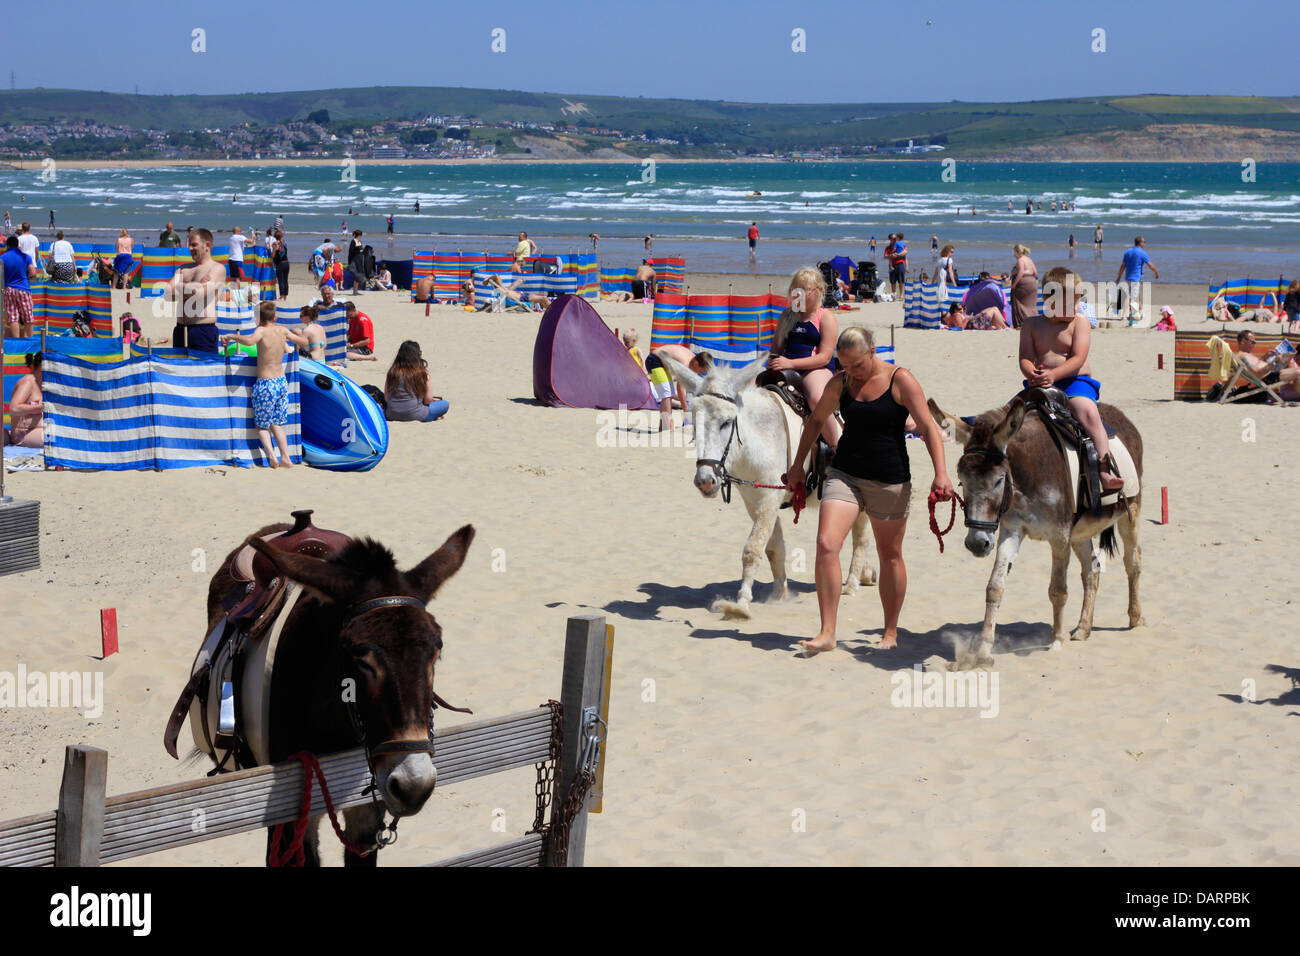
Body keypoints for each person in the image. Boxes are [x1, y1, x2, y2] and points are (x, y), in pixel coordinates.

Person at [786, 326, 952, 654]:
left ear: (872, 351)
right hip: (846, 474)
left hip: (889, 480)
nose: (853, 373)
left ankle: (890, 632)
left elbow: (929, 428)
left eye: (858, 365)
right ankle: (827, 632)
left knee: (889, 555)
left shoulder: (901, 380)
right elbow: (816, 422)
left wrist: (941, 474)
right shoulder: (841, 382)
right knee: (826, 544)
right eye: (845, 366)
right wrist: (796, 466)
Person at [1022, 266, 1124, 491]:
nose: (1076, 307)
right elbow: (1025, 357)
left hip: (1075, 383)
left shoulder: (1080, 322)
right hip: (1042, 382)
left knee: (1089, 415)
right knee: (1013, 412)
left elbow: (1078, 358)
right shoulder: (1031, 325)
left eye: (1077, 301)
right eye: (1070, 303)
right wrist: (1031, 373)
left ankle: (1104, 469)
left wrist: (1053, 374)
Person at [768, 266, 841, 450]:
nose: (799, 295)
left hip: (816, 368)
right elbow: (777, 347)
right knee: (752, 389)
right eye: (796, 290)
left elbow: (824, 357)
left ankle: (836, 448)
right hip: (786, 365)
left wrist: (790, 363)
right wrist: (773, 361)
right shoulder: (787, 315)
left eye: (805, 290)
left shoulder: (825, 317)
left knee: (817, 398)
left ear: (819, 291)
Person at [220, 302, 297, 468]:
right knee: (277, 423)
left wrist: (232, 336)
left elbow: (249, 341)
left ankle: (271, 456)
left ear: (258, 319)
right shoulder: (281, 332)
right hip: (281, 382)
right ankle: (286, 457)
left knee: (262, 426)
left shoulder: (261, 331)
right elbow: (295, 347)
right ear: (274, 317)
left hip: (266, 384)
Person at [167, 227, 225, 353]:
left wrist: (180, 287)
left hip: (203, 330)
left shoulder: (217, 269)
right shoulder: (183, 268)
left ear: (207, 245)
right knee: (179, 371)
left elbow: (199, 295)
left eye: (194, 245)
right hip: (180, 330)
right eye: (189, 245)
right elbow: (167, 294)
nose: (190, 248)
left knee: (204, 371)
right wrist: (193, 287)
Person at [646, 346, 711, 432]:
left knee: (669, 393)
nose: (699, 374)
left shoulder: (692, 359)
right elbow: (680, 388)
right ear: (696, 364)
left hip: (661, 363)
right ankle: (667, 425)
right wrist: (686, 410)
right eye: (701, 371)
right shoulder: (685, 363)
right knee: (667, 393)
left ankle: (663, 426)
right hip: (654, 360)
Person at [384, 340, 448, 422]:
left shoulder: (392, 371)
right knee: (444, 404)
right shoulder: (422, 373)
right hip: (416, 415)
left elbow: (387, 398)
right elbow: (428, 399)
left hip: (391, 414)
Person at [1235, 330, 1300, 400]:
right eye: (1252, 342)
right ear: (1243, 341)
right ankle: (1290, 392)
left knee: (1290, 360)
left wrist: (1265, 357)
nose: (1254, 344)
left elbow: (1256, 365)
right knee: (1298, 372)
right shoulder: (1242, 356)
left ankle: (1291, 392)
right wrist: (1274, 362)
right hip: (1268, 377)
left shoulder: (1246, 354)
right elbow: (1258, 373)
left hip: (1270, 372)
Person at [5, 353, 44, 448]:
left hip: (41, 429)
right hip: (24, 433)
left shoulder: (46, 383)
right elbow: (14, 408)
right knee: (54, 439)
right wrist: (39, 408)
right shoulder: (28, 382)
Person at [3, 234, 38, 338]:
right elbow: (32, 272)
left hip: (8, 289)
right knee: (28, 316)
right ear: (18, 245)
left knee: (12, 317)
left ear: (7, 246)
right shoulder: (25, 257)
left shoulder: (2, 258)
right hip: (23, 288)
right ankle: (30, 341)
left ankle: (16, 344)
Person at [1116, 236, 1158, 322]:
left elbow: (1123, 266)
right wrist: (1156, 272)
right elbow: (1150, 265)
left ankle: (1136, 313)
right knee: (1131, 297)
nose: (1144, 243)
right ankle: (1125, 315)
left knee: (1136, 296)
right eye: (1144, 242)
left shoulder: (1128, 252)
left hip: (1128, 277)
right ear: (1140, 242)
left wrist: (1119, 277)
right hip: (1135, 278)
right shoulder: (1142, 253)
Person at [1009, 243, 1037, 329]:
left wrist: (1014, 284)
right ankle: (1034, 321)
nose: (1014, 255)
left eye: (1014, 253)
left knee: (1017, 301)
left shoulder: (1020, 260)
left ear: (1017, 252)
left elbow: (1020, 272)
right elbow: (1035, 272)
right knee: (1030, 304)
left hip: (1023, 283)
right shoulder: (1029, 259)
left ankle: (1021, 323)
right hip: (1032, 282)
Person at [887, 232, 908, 299]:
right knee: (893, 281)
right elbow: (885, 256)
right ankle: (893, 295)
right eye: (894, 238)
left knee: (901, 280)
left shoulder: (897, 244)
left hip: (900, 263)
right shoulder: (888, 247)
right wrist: (891, 255)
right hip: (893, 264)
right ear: (890, 239)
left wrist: (897, 254)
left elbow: (905, 253)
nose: (895, 239)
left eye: (896, 238)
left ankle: (901, 295)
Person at [272, 229, 290, 299]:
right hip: (287, 263)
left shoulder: (275, 244)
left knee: (281, 280)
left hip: (280, 264)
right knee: (285, 280)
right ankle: (285, 296)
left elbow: (273, 255)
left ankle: (282, 297)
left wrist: (273, 249)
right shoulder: (284, 243)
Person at [347, 230, 365, 294]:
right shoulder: (353, 241)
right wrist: (359, 251)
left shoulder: (360, 241)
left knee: (358, 275)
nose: (361, 236)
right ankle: (355, 291)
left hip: (359, 260)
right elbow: (351, 252)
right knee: (356, 275)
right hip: (354, 260)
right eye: (361, 235)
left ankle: (356, 290)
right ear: (359, 235)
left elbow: (361, 250)